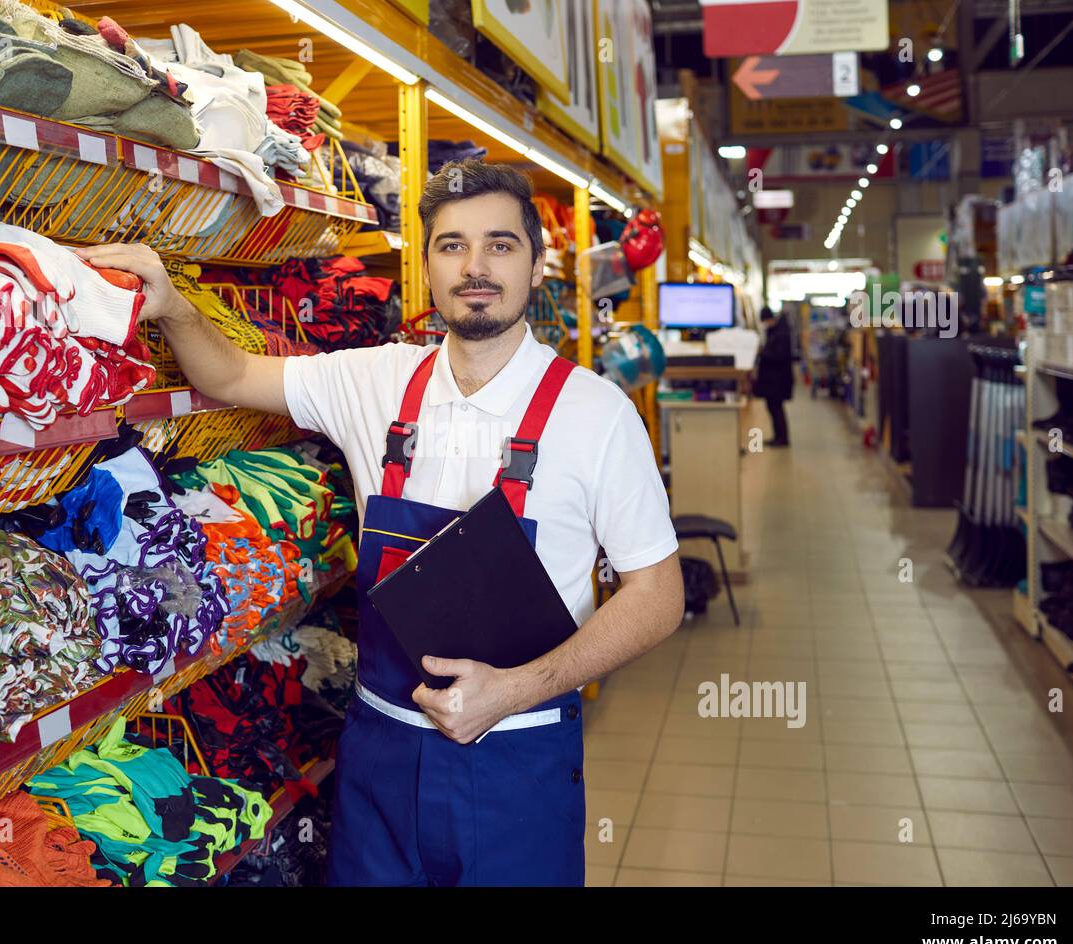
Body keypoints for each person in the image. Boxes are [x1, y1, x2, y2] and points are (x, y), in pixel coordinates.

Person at [75, 160, 684, 887]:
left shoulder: (597, 415)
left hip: (517, 761)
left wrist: (517, 688)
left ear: (537, 261)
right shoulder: (376, 379)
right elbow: (231, 376)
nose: (476, 266)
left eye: (500, 244)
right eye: (452, 245)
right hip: (380, 760)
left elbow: (657, 593)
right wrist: (172, 303)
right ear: (426, 263)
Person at [754, 305, 794, 447]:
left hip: (777, 380)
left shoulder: (780, 333)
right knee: (774, 408)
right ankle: (778, 437)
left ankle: (782, 439)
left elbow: (779, 355)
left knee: (776, 409)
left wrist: (762, 353)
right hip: (774, 379)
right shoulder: (776, 331)